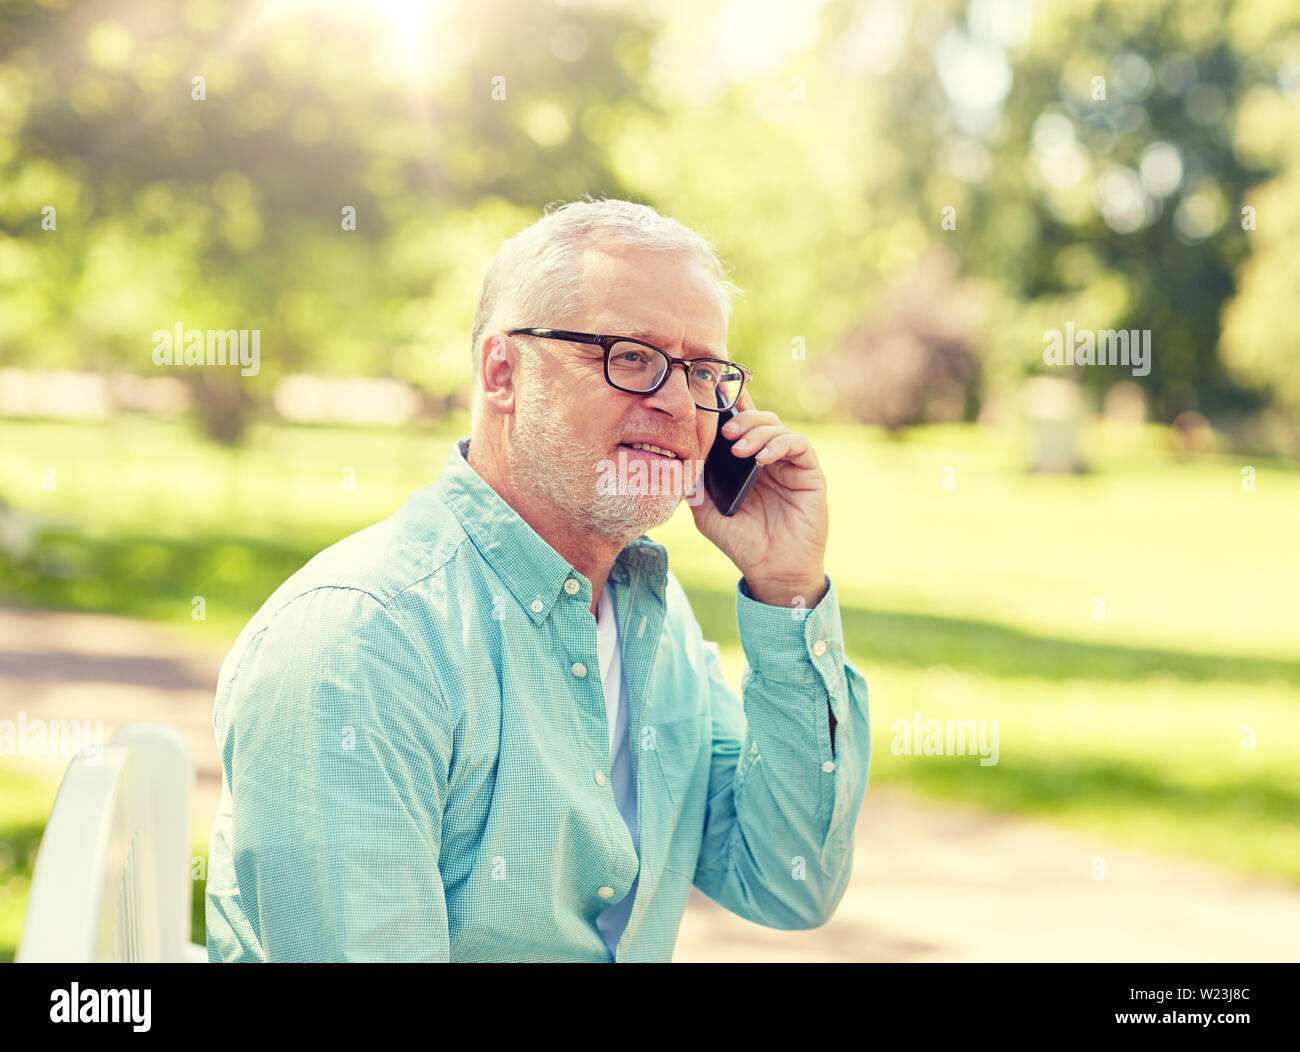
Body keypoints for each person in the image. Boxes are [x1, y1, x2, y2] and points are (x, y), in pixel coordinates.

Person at [205, 197, 871, 962]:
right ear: (502, 371)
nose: (675, 404)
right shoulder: (363, 642)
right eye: (629, 356)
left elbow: (785, 881)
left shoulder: (656, 619)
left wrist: (788, 589)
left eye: (702, 372)